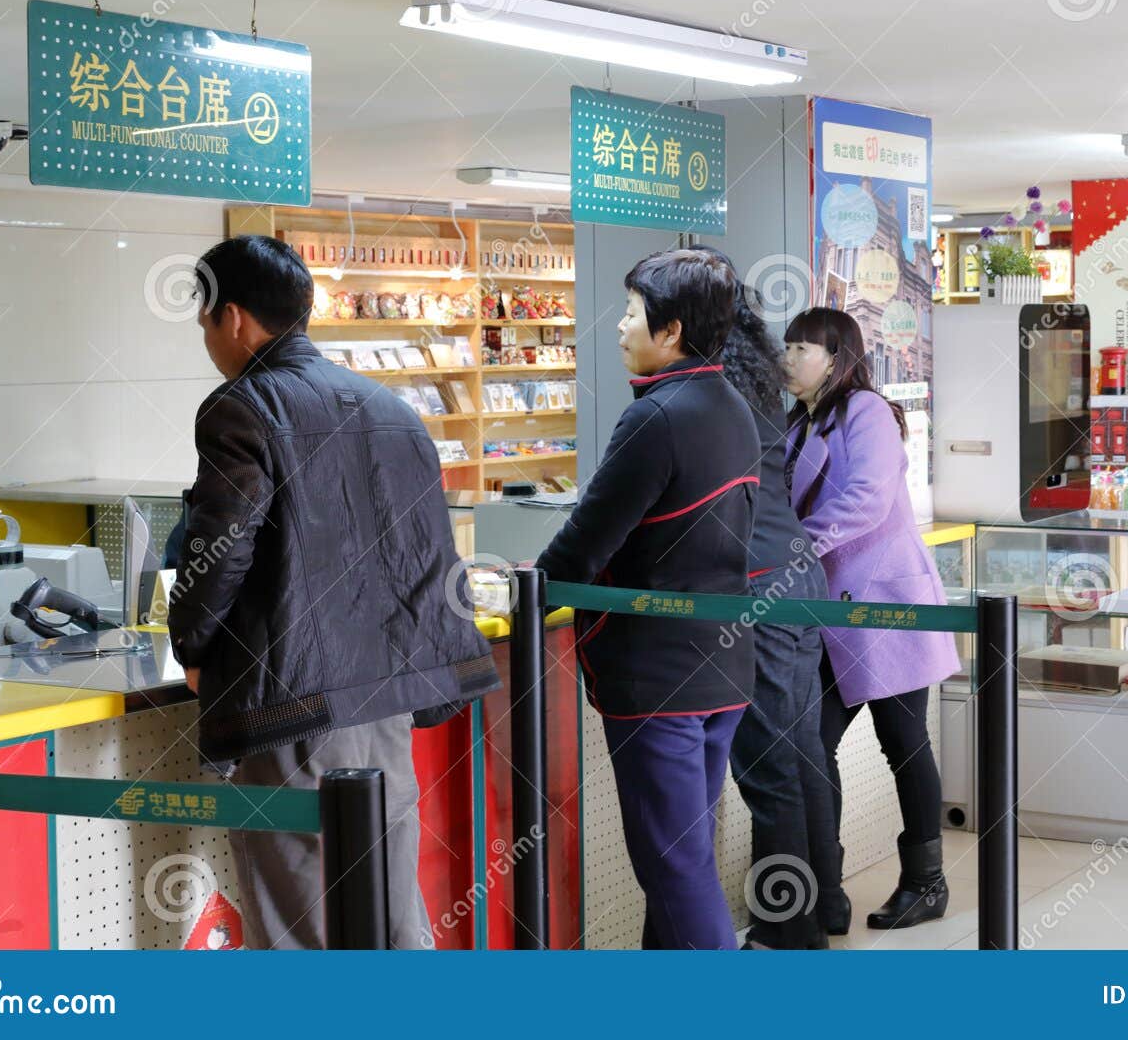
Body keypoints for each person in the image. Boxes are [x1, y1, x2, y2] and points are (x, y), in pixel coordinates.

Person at [168, 234, 500, 950]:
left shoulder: (242, 407)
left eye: (203, 320)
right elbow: (424, 552)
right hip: (385, 697)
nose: (207, 337)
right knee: (388, 907)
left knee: (302, 921)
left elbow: (220, 548)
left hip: (293, 702)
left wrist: (195, 646)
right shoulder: (391, 408)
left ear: (232, 318)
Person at [536, 247, 757, 950]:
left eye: (633, 311)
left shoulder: (658, 416)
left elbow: (583, 543)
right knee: (684, 859)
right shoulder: (733, 406)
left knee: (675, 867)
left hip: (659, 674)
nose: (622, 325)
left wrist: (525, 589)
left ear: (671, 331)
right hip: (720, 667)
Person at [782, 306, 960, 933]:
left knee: (904, 743)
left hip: (886, 601)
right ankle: (822, 889)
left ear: (836, 358)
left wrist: (796, 545)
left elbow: (868, 497)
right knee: (809, 743)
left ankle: (926, 882)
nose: (789, 358)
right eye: (788, 345)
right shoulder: (796, 422)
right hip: (831, 609)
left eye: (802, 348)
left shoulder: (867, 412)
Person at [704, 256, 832, 950]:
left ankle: (789, 932)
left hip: (761, 590)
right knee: (798, 754)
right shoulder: (753, 384)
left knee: (771, 767)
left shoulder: (712, 393)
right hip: (793, 579)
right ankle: (814, 910)